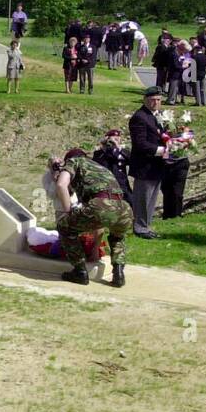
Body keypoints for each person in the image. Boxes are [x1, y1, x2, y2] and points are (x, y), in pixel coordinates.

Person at [52, 148, 135, 287]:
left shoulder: (74, 162)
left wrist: (68, 212)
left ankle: (80, 272)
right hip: (123, 208)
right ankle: (118, 274)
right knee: (117, 236)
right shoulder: (98, 167)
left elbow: (61, 185)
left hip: (100, 205)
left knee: (65, 227)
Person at [129, 86, 174, 240]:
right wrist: (162, 150)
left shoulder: (157, 115)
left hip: (155, 165)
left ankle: (146, 225)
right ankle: (140, 227)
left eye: (158, 100)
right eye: (153, 100)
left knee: (151, 198)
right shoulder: (140, 117)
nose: (156, 102)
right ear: (145, 100)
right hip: (144, 166)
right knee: (143, 198)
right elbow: (140, 144)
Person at [92, 129, 133, 202]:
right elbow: (97, 163)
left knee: (131, 202)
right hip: (108, 184)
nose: (116, 139)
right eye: (113, 137)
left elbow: (132, 161)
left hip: (122, 183)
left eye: (118, 138)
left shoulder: (123, 151)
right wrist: (103, 147)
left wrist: (118, 148)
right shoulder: (99, 153)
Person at [193, 40, 206, 106]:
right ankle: (204, 101)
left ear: (196, 50)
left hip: (195, 74)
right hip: (203, 74)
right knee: (203, 89)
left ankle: (198, 102)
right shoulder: (205, 57)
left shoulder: (195, 57)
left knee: (197, 89)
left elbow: (192, 67)